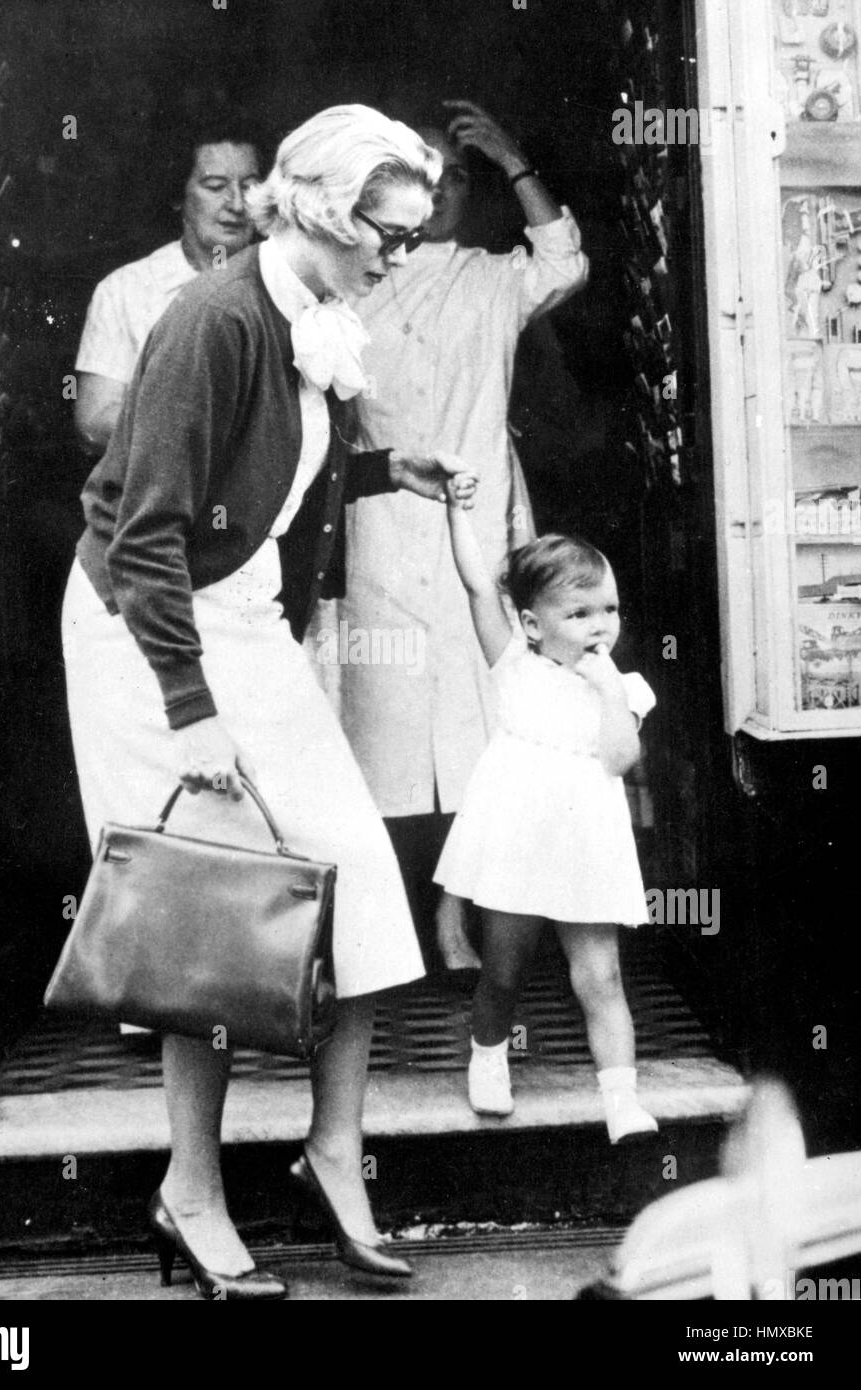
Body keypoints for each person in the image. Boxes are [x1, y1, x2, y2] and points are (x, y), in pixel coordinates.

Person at [62, 104, 477, 1300]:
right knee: (213, 906)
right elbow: (144, 533)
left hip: (243, 622)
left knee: (350, 882)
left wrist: (385, 467)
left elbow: (261, 467)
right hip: (151, 634)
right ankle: (190, 1190)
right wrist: (190, 711)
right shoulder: (215, 318)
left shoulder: (314, 312)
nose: (397, 257)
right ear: (322, 213)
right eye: (385, 235)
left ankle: (331, 1153)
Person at [336, 99, 589, 972]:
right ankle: (380, 932)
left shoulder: (492, 276)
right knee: (381, 733)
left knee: (486, 732)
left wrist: (516, 158)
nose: (438, 194)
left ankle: (453, 918)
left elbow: (562, 256)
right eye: (420, 177)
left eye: (455, 177)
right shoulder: (351, 281)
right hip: (372, 528)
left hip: (477, 526)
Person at [434, 500, 660, 1144]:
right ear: (533, 624)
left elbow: (618, 759)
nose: (600, 626)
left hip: (586, 842)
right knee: (504, 967)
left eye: (609, 610)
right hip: (518, 838)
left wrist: (611, 691)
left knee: (600, 975)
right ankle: (487, 1054)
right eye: (580, 613)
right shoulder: (514, 665)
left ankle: (621, 1098)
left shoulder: (625, 688)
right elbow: (481, 584)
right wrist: (455, 510)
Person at [74, 119, 264, 456]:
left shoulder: (281, 284)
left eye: (249, 186)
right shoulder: (125, 291)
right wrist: (204, 429)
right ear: (178, 195)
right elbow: (94, 422)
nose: (237, 204)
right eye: (216, 186)